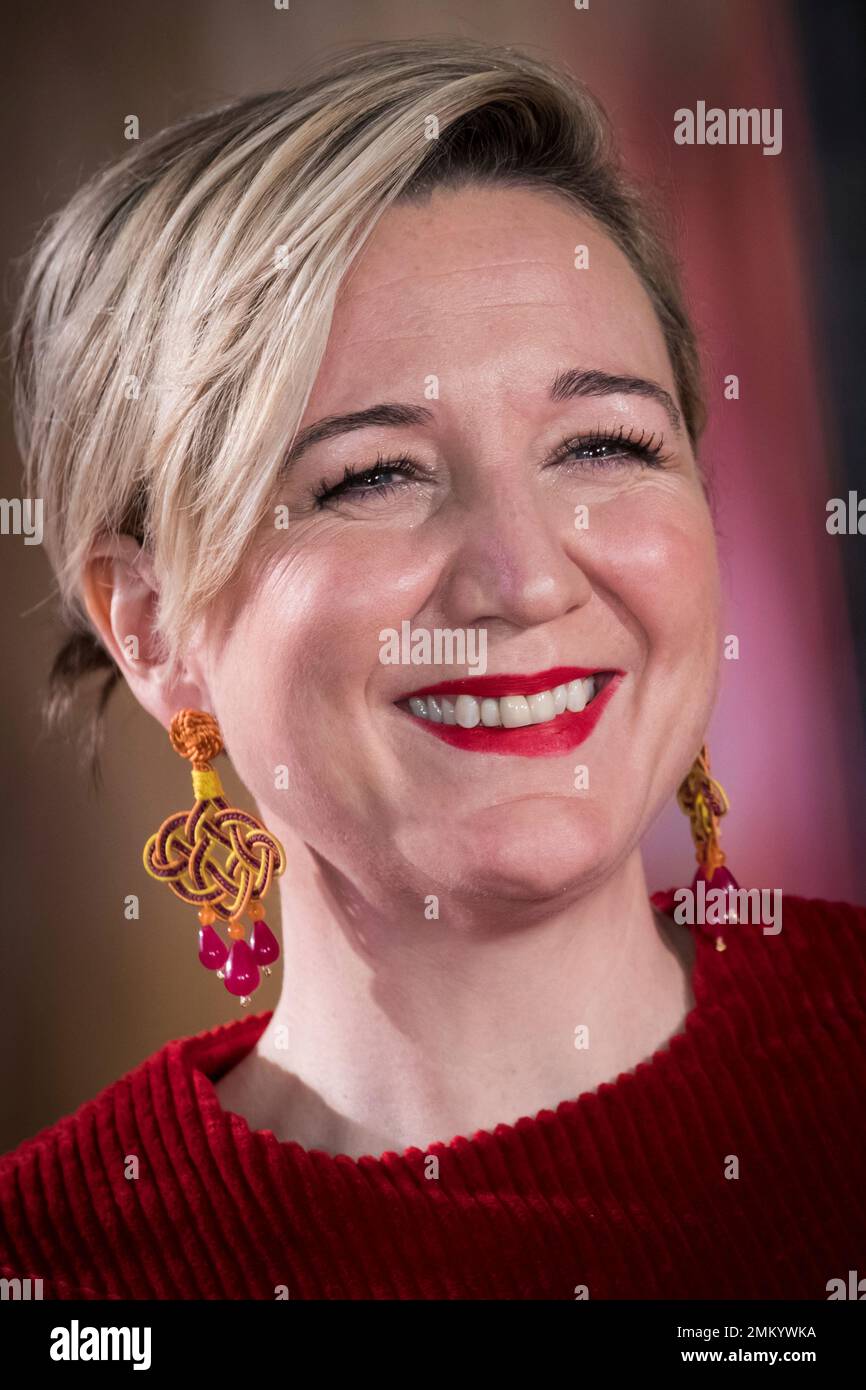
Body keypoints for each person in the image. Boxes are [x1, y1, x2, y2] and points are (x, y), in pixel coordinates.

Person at [2, 37, 864, 1301]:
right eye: (371, 475)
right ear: (149, 626)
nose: (522, 577)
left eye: (602, 445)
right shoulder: (57, 1278)